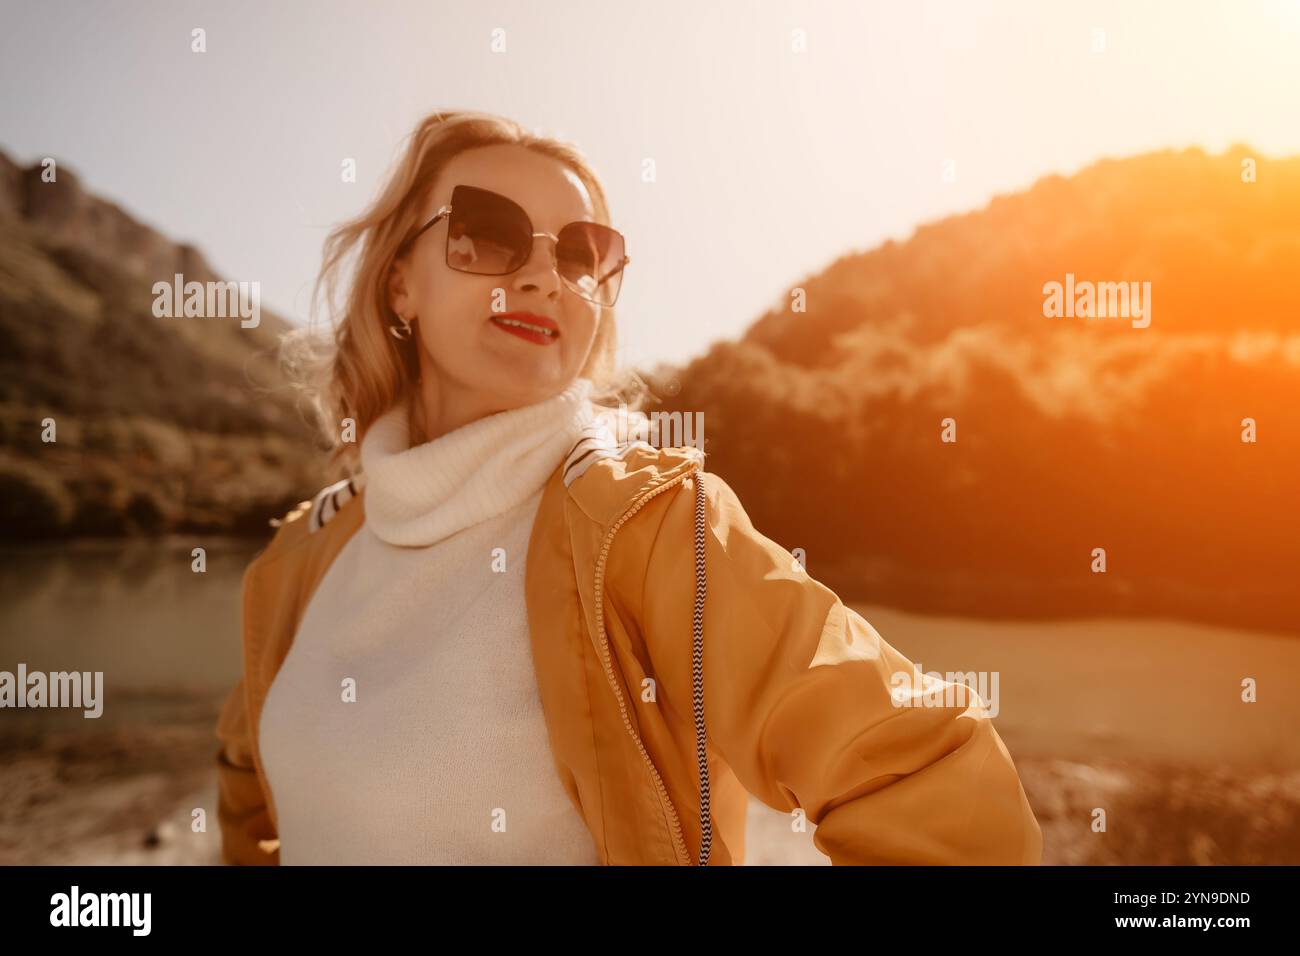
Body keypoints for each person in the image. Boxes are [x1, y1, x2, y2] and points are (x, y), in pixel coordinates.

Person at [214, 108, 1042, 866]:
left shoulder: (648, 529)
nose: (544, 276)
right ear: (401, 283)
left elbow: (932, 782)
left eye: (582, 254)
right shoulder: (302, 557)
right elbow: (249, 801)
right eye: (488, 233)